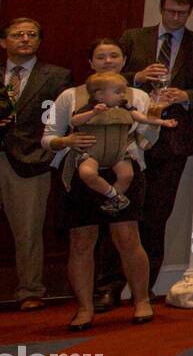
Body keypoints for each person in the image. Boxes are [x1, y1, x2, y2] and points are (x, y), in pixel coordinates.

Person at [42, 38, 159, 330]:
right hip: (82, 173)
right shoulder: (70, 96)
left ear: (123, 61)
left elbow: (149, 140)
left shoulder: (138, 97)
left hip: (125, 172)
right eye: (101, 57)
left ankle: (141, 300)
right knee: (81, 242)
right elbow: (48, 137)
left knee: (128, 238)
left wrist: (156, 117)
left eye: (114, 56)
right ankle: (84, 308)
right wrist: (68, 140)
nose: (108, 61)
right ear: (90, 63)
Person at [98, 0, 193, 308]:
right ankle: (108, 286)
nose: (175, 18)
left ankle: (143, 288)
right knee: (118, 213)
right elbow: (106, 78)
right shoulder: (134, 38)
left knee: (156, 217)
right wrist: (136, 77)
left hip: (172, 141)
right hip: (128, 141)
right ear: (161, 9)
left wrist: (184, 95)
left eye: (182, 13)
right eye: (171, 11)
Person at [1, 18, 74, 312]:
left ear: (39, 42)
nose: (25, 39)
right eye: (18, 34)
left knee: (28, 230)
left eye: (32, 34)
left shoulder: (56, 76)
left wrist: (49, 157)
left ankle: (30, 290)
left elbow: (63, 120)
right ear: (4, 41)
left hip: (30, 161)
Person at [67, 72, 176, 212]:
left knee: (127, 175)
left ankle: (112, 203)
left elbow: (141, 118)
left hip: (119, 152)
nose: (122, 96)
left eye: (124, 92)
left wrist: (163, 121)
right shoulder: (89, 108)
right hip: (92, 152)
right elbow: (74, 121)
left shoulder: (125, 106)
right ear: (100, 95)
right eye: (118, 92)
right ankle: (114, 195)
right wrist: (93, 113)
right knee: (87, 173)